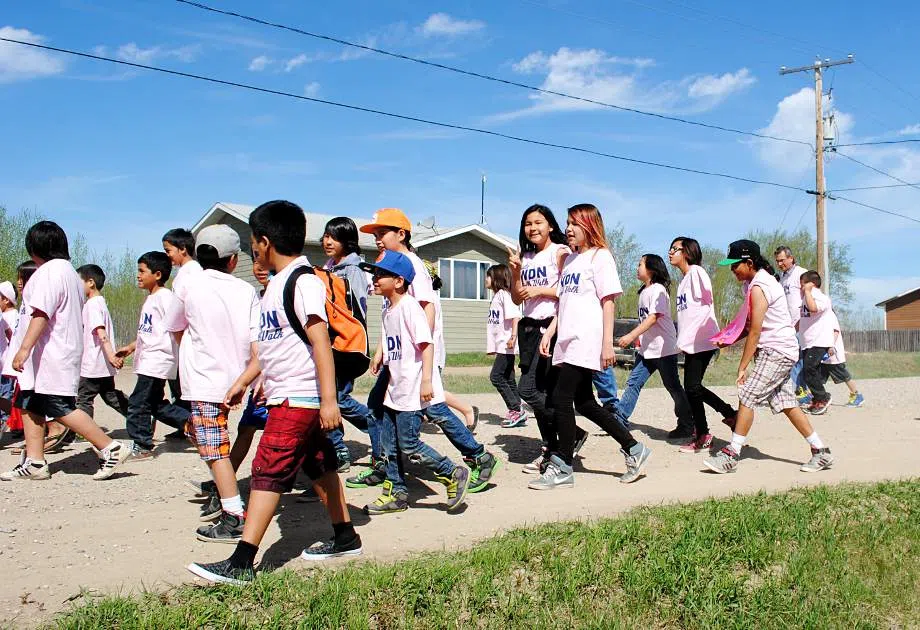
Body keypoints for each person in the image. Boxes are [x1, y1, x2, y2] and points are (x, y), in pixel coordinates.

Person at [187, 200, 361, 585]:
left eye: (253, 240)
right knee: (319, 465)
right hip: (286, 394)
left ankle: (241, 563)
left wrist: (330, 400)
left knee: (266, 469)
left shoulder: (303, 281)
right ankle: (345, 536)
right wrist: (245, 382)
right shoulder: (275, 286)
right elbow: (274, 346)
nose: (252, 248)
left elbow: (320, 343)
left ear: (263, 242)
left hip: (299, 398)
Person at [348, 209, 499, 494]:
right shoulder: (391, 265)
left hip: (419, 354)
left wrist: (416, 353)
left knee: (428, 409)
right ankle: (390, 469)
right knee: (387, 409)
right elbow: (389, 315)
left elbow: (426, 308)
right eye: (375, 235)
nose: (377, 240)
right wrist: (382, 350)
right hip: (403, 355)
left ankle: (477, 456)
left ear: (401, 234)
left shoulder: (411, 266)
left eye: (382, 233)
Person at [532, 204, 652, 489]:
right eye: (567, 223)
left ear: (590, 225)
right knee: (584, 403)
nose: (569, 229)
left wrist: (606, 345)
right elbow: (565, 302)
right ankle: (635, 449)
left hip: (586, 340)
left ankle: (562, 465)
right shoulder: (571, 261)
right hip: (566, 340)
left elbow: (607, 302)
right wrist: (550, 332)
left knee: (561, 398)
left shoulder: (601, 257)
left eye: (575, 223)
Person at [1, 221, 132, 481]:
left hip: (51, 353)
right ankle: (35, 462)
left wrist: (24, 349)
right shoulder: (67, 272)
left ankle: (111, 447)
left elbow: (41, 313)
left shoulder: (50, 272)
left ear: (34, 246)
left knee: (58, 406)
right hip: (51, 353)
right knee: (28, 403)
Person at [703, 239, 834, 474]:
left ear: (749, 262)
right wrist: (729, 338)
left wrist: (742, 365)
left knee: (747, 394)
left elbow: (755, 330)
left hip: (777, 350)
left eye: (735, 265)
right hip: (780, 349)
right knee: (787, 403)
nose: (732, 269)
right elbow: (749, 324)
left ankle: (731, 454)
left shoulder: (760, 286)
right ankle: (820, 451)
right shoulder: (757, 283)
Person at [359, 250, 474, 514]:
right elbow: (391, 341)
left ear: (399, 281)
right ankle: (396, 493)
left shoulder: (410, 308)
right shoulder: (389, 308)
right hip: (394, 390)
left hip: (412, 391)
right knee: (389, 444)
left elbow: (426, 344)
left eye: (381, 275)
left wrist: (426, 381)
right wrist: (379, 355)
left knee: (409, 445)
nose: (375, 279)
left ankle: (452, 472)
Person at [166, 225, 260, 543]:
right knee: (213, 441)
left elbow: (175, 327)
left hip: (203, 380)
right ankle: (226, 495)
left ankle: (233, 516)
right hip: (237, 378)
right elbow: (256, 343)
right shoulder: (245, 290)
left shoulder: (189, 286)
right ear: (233, 260)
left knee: (214, 448)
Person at [507, 204, 588, 474]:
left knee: (529, 391)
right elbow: (517, 297)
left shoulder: (561, 253)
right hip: (528, 328)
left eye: (538, 222)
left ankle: (570, 434)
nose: (533, 228)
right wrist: (516, 272)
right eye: (528, 223)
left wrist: (539, 289)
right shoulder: (525, 257)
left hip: (551, 326)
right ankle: (552, 447)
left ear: (550, 226)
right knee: (538, 393)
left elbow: (571, 291)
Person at [116, 252, 191, 460]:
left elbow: (178, 325)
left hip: (158, 360)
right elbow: (150, 332)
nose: (138, 275)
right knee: (155, 405)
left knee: (138, 404)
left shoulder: (165, 298)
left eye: (142, 271)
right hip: (150, 360)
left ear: (157, 274)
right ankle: (193, 422)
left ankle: (142, 445)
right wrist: (131, 348)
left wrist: (185, 355)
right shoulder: (152, 299)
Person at [610, 254, 694, 440]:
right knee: (633, 383)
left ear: (652, 269)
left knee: (673, 386)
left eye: (640, 264)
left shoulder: (658, 290)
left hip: (664, 350)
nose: (637, 267)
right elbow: (645, 321)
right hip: (647, 351)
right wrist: (640, 339)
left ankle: (687, 424)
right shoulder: (644, 292)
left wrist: (631, 335)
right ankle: (620, 419)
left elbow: (654, 317)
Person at [668, 237, 736, 453]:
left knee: (692, 387)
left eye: (674, 249)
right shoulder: (683, 281)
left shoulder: (697, 272)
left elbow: (706, 303)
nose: (670, 252)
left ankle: (706, 432)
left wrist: (689, 336)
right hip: (692, 342)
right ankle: (727, 416)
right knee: (692, 388)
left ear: (687, 252)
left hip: (703, 339)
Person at [321, 217, 375, 472]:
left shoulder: (354, 269)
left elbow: (354, 311)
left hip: (347, 342)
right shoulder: (328, 267)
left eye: (334, 236)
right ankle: (336, 448)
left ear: (347, 240)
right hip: (328, 341)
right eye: (325, 236)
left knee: (338, 397)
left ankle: (378, 427)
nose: (327, 241)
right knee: (327, 396)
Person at [75, 264, 129, 421]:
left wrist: (112, 356)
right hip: (102, 364)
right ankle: (139, 416)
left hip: (92, 364)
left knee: (83, 399)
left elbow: (101, 333)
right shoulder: (100, 303)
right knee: (110, 396)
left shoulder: (92, 305)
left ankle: (83, 431)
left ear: (90, 282)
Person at [162, 227, 200, 431]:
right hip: (189, 341)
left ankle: (191, 425)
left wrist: (182, 344)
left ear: (183, 248)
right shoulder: (196, 272)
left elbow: (177, 319)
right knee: (180, 390)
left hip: (186, 341)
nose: (167, 255)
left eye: (169, 250)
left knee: (184, 389)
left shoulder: (186, 276)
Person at [485, 264, 527, 428]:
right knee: (508, 378)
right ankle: (519, 412)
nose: (485, 279)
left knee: (496, 377)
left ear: (496, 278)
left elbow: (515, 316)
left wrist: (513, 337)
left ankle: (515, 409)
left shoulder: (504, 294)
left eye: (488, 276)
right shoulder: (496, 296)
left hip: (507, 344)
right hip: (502, 345)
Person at [1, 264, 36, 441]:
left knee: (32, 402)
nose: (19, 283)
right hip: (17, 362)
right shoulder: (25, 304)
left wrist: (20, 352)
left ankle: (57, 430)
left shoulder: (32, 303)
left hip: (26, 362)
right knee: (22, 402)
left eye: (23, 278)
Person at [797, 270, 838, 416]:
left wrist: (807, 291)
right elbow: (803, 318)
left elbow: (813, 309)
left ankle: (823, 397)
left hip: (819, 340)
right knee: (808, 371)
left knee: (809, 369)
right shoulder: (806, 298)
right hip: (808, 341)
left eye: (802, 285)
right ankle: (817, 399)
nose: (800, 288)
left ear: (810, 284)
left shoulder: (821, 298)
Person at [774, 246, 809, 399]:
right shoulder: (782, 277)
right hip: (788, 325)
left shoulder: (801, 273)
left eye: (782, 260)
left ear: (791, 258)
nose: (780, 263)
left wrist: (803, 319)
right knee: (794, 358)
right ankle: (799, 390)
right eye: (777, 261)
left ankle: (799, 391)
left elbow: (809, 295)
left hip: (801, 323)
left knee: (798, 358)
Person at [820, 312, 864, 408]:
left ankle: (856, 395)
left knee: (844, 376)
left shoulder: (830, 315)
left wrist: (831, 346)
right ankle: (817, 397)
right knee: (817, 378)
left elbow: (835, 331)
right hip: (824, 355)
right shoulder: (821, 316)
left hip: (833, 355)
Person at [0, 280, 20, 434]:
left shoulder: (13, 315)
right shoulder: (3, 315)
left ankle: (10, 420)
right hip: (4, 360)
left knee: (5, 394)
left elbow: (13, 335)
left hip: (5, 362)